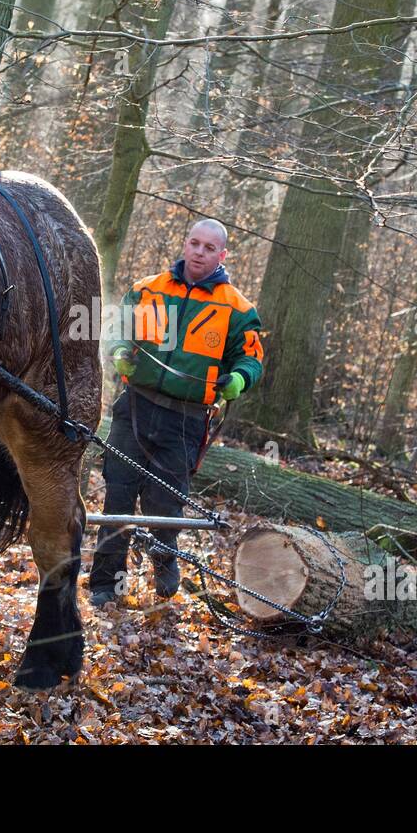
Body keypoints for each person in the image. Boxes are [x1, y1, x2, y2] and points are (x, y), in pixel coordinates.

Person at [89, 218, 265, 607]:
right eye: (194, 243)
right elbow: (119, 330)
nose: (199, 253)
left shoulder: (238, 309)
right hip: (135, 407)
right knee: (117, 497)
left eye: (208, 248)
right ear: (185, 245)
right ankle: (106, 586)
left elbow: (252, 359)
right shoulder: (147, 290)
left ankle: (164, 560)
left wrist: (238, 379)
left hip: (185, 420)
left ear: (222, 255)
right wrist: (119, 351)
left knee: (164, 505)